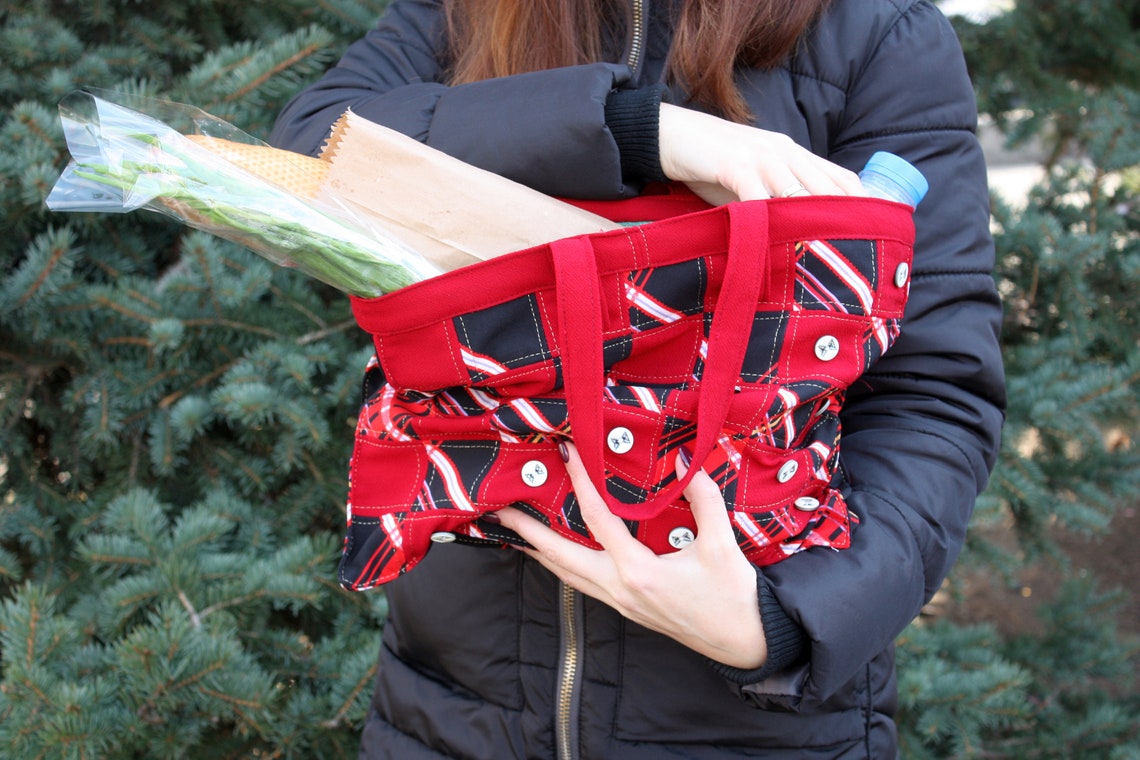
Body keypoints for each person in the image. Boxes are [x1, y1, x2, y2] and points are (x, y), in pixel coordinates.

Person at [270, 0, 1006, 756]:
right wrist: (644, 131)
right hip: (453, 712)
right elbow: (314, 148)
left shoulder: (874, 30)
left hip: (743, 731)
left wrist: (780, 621)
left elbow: (935, 392)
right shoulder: (467, 10)